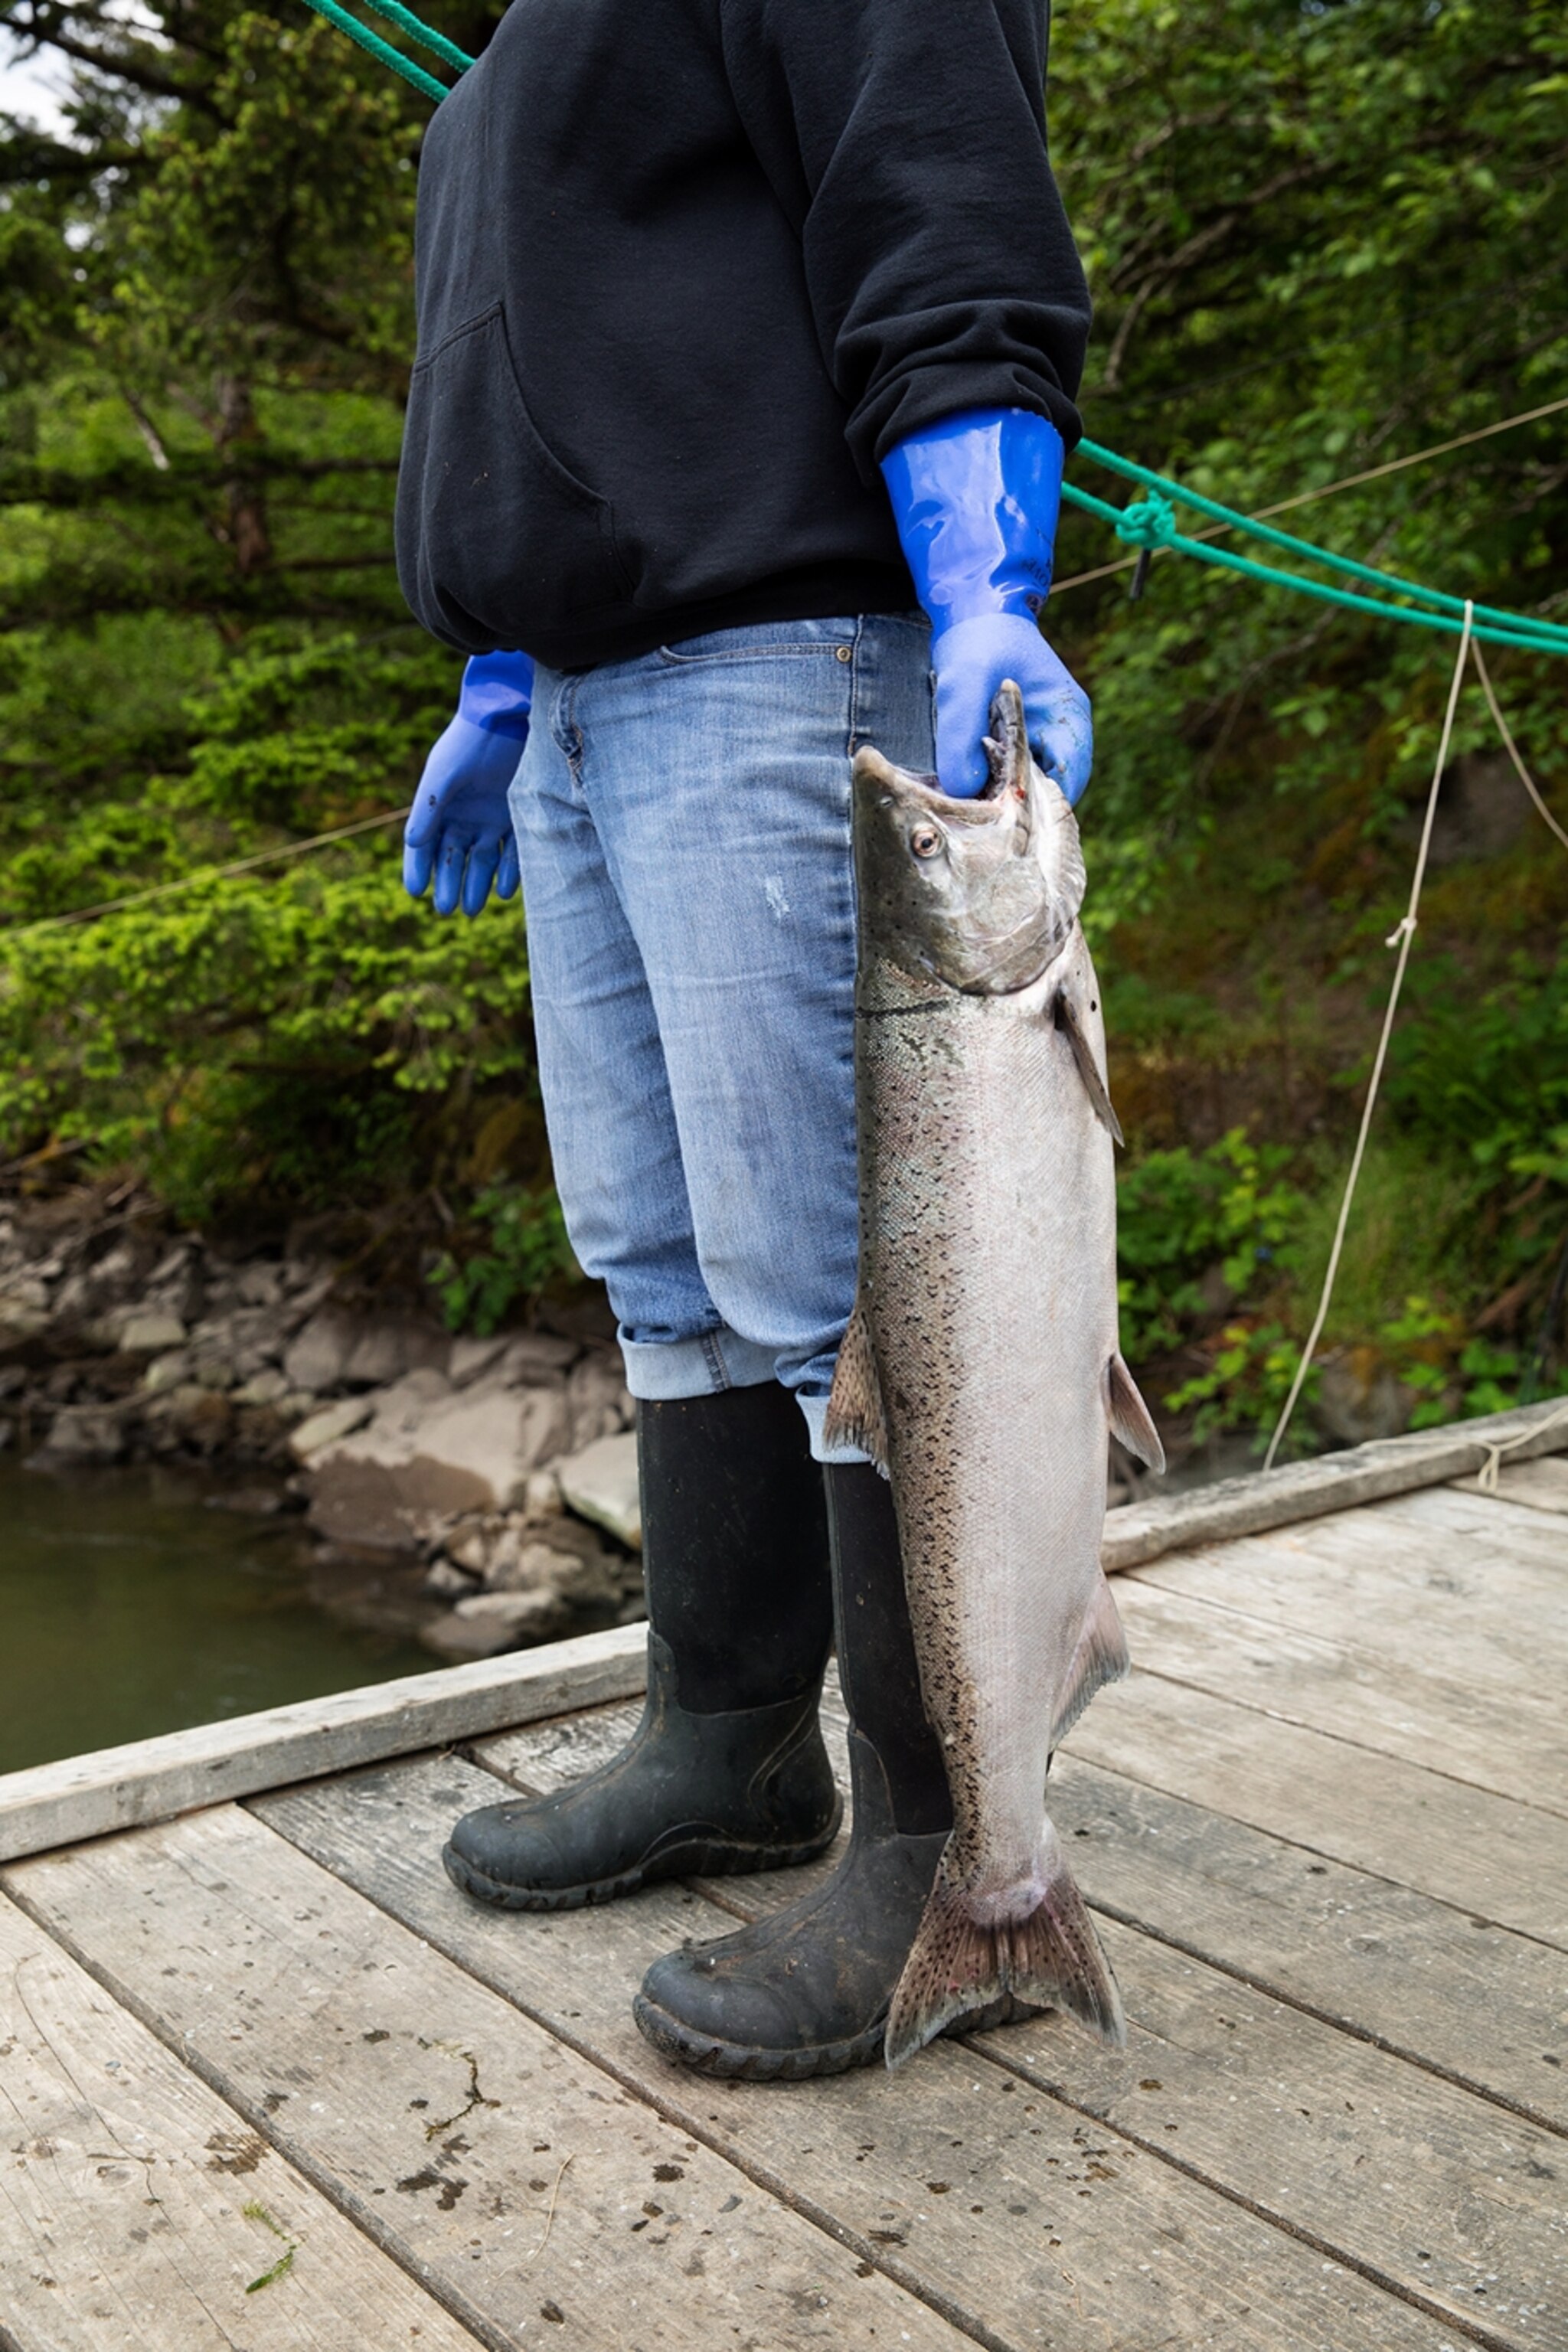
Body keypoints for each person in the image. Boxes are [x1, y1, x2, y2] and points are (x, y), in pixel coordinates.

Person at [396, 0, 1092, 2081]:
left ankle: (955, 1848)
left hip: (781, 653)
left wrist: (988, 580)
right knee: (667, 1257)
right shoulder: (510, 60)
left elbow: (936, 204)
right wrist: (502, 680)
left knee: (865, 1287)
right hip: (585, 696)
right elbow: (571, 362)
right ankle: (725, 1736)